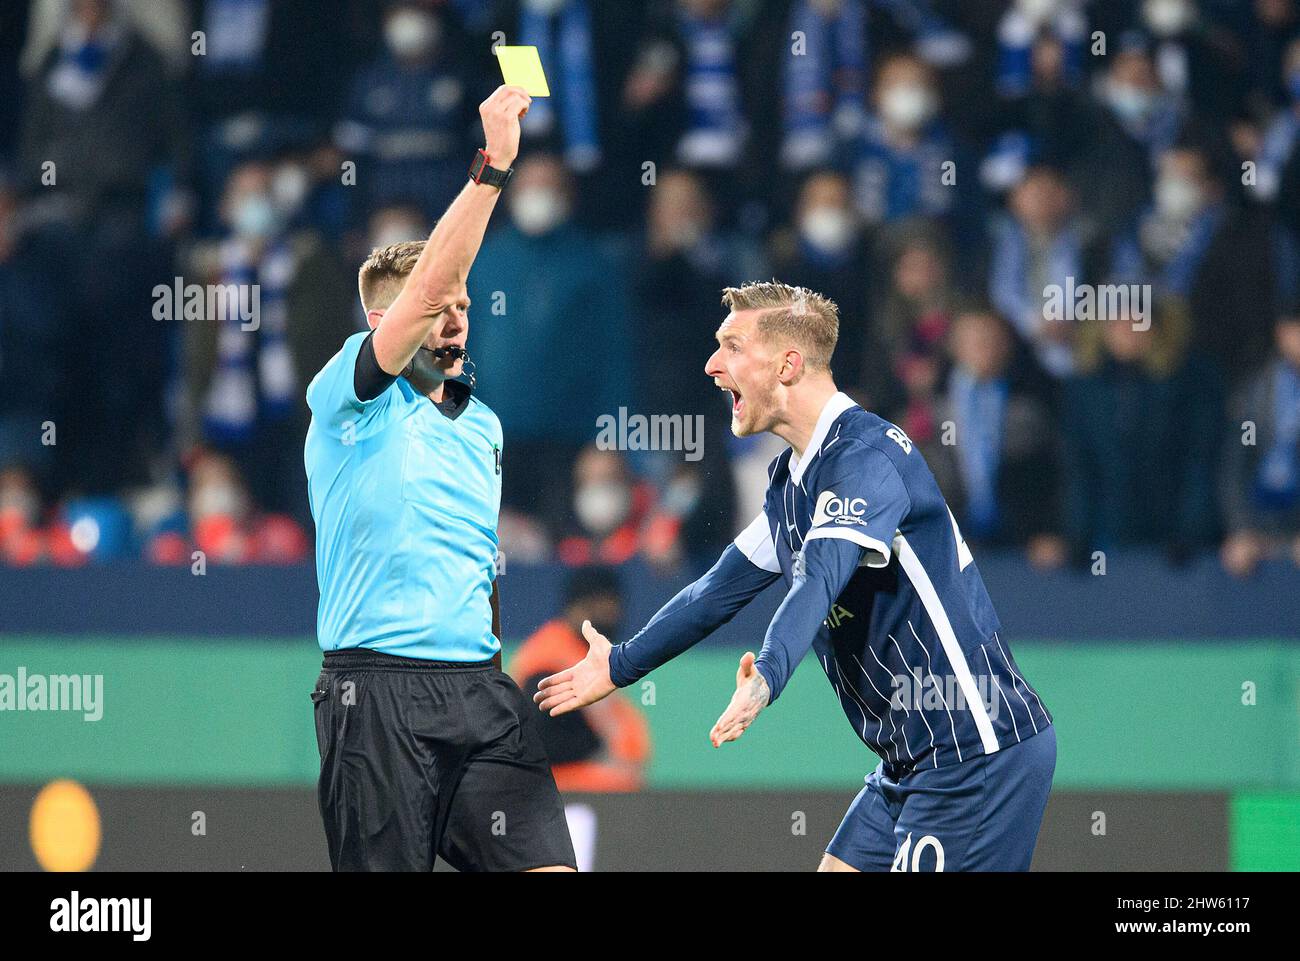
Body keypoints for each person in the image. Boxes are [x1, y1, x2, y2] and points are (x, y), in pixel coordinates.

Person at [535, 281, 1056, 872]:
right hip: (910, 759)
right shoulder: (791, 480)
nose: (711, 365)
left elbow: (819, 579)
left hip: (972, 750)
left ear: (787, 364)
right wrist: (621, 663)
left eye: (731, 346)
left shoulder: (867, 459)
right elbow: (717, 590)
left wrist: (768, 675)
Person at [303, 85, 575, 872]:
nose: (452, 315)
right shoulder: (346, 403)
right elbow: (423, 291)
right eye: (436, 308)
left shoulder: (484, 425)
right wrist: (492, 170)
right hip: (376, 694)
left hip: (481, 692)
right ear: (386, 328)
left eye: (462, 303)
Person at [510, 566, 650, 792]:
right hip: (563, 793)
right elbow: (539, 737)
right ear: (575, 608)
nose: (610, 615)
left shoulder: (586, 655)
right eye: (600, 606)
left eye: (613, 606)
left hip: (597, 791)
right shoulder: (549, 657)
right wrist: (594, 750)